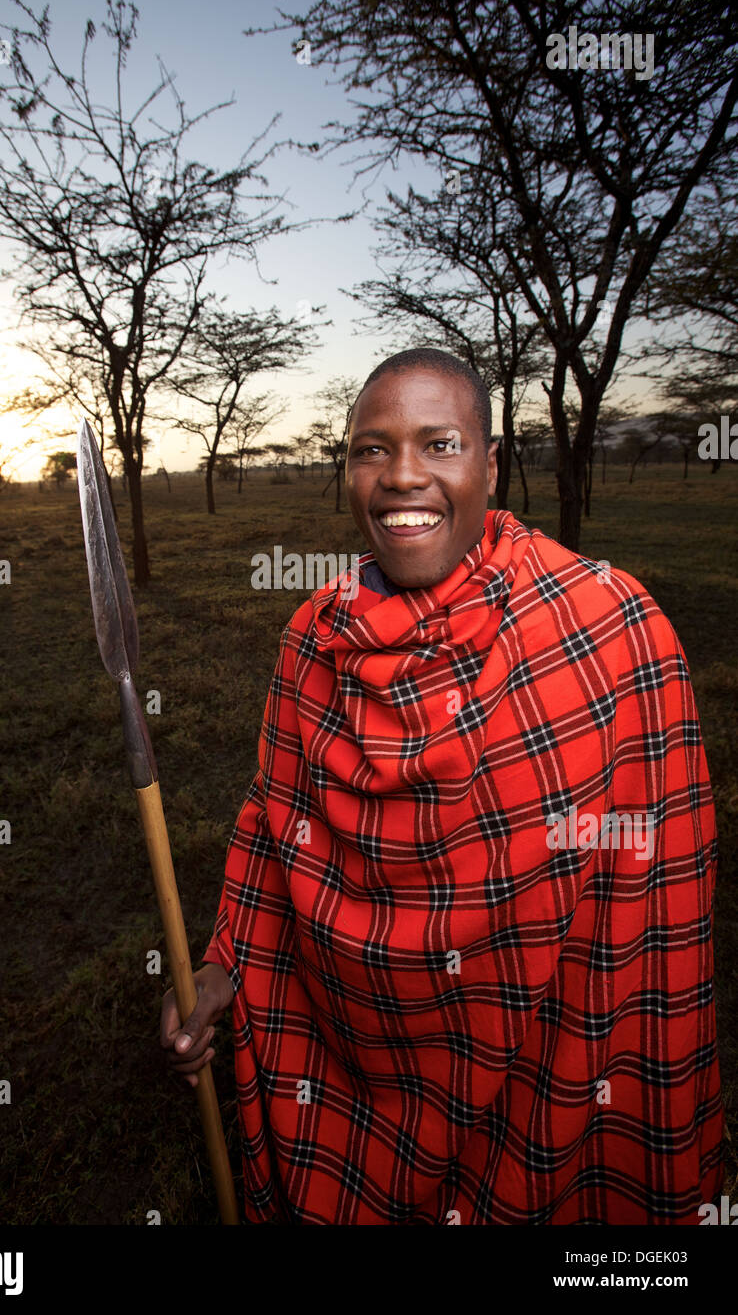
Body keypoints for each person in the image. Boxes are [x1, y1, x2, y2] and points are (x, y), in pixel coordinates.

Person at [160, 347, 725, 1225]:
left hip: (545, 1066)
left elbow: (658, 896)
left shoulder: (607, 629)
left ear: (490, 466)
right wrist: (222, 967)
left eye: (440, 444)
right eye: (371, 450)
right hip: (357, 1070)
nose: (402, 478)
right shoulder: (314, 635)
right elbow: (277, 829)